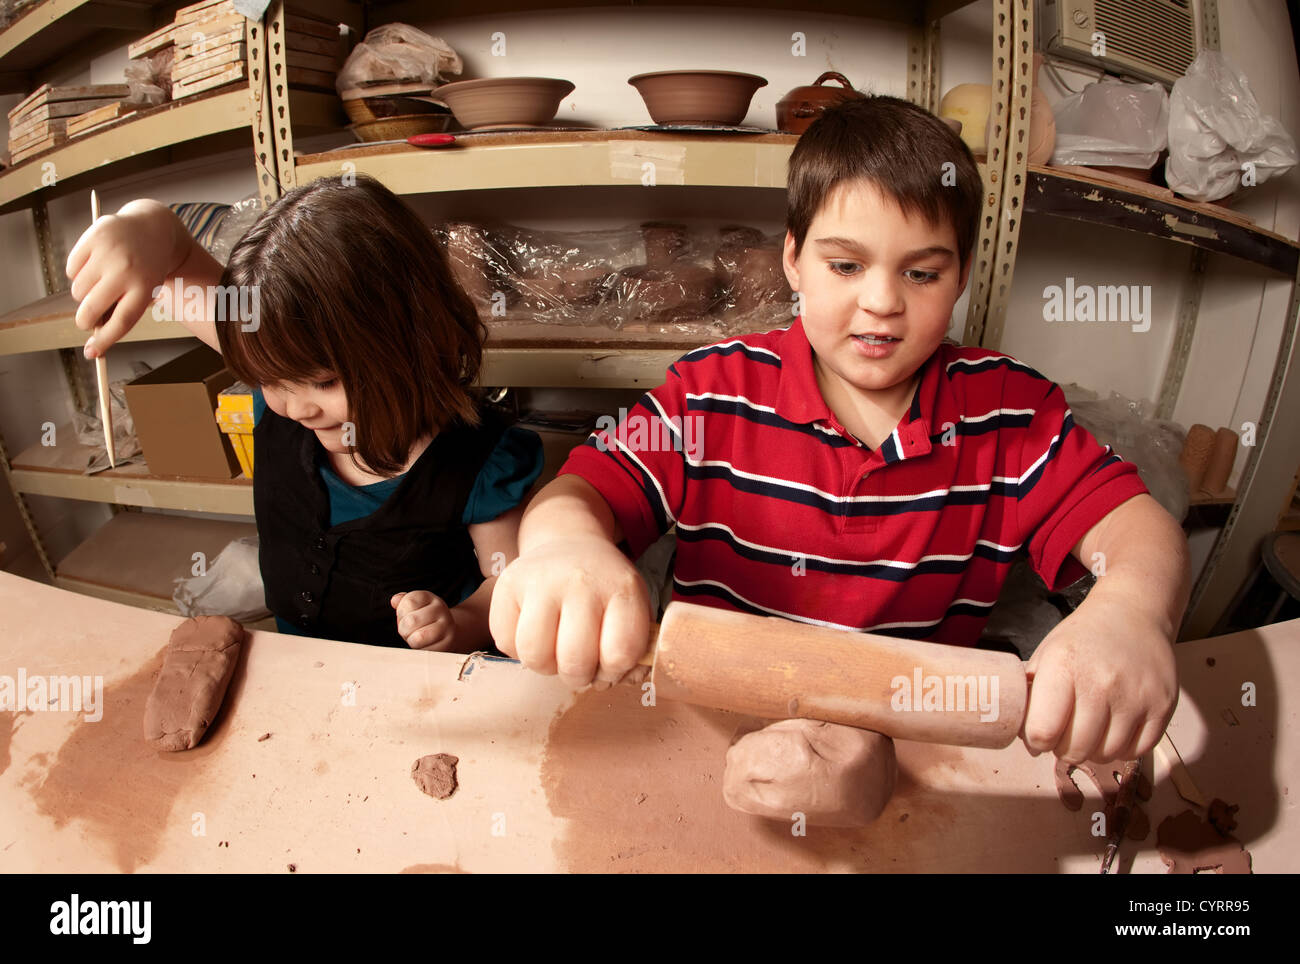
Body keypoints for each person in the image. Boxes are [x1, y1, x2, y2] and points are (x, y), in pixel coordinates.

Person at [488, 96, 1189, 820]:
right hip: (708, 725)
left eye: (922, 274)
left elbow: (1134, 525)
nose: (881, 302)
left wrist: (1132, 610)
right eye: (846, 265)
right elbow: (584, 491)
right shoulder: (713, 391)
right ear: (794, 259)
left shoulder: (1008, 413)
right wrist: (564, 544)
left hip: (910, 741)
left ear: (962, 275)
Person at [67, 175, 541, 651]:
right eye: (269, 380)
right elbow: (174, 255)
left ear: (412, 343)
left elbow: (507, 582)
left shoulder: (480, 461)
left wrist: (456, 623)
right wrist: (139, 226)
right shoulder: (279, 367)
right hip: (297, 661)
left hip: (410, 682)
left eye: (325, 382)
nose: (294, 407)